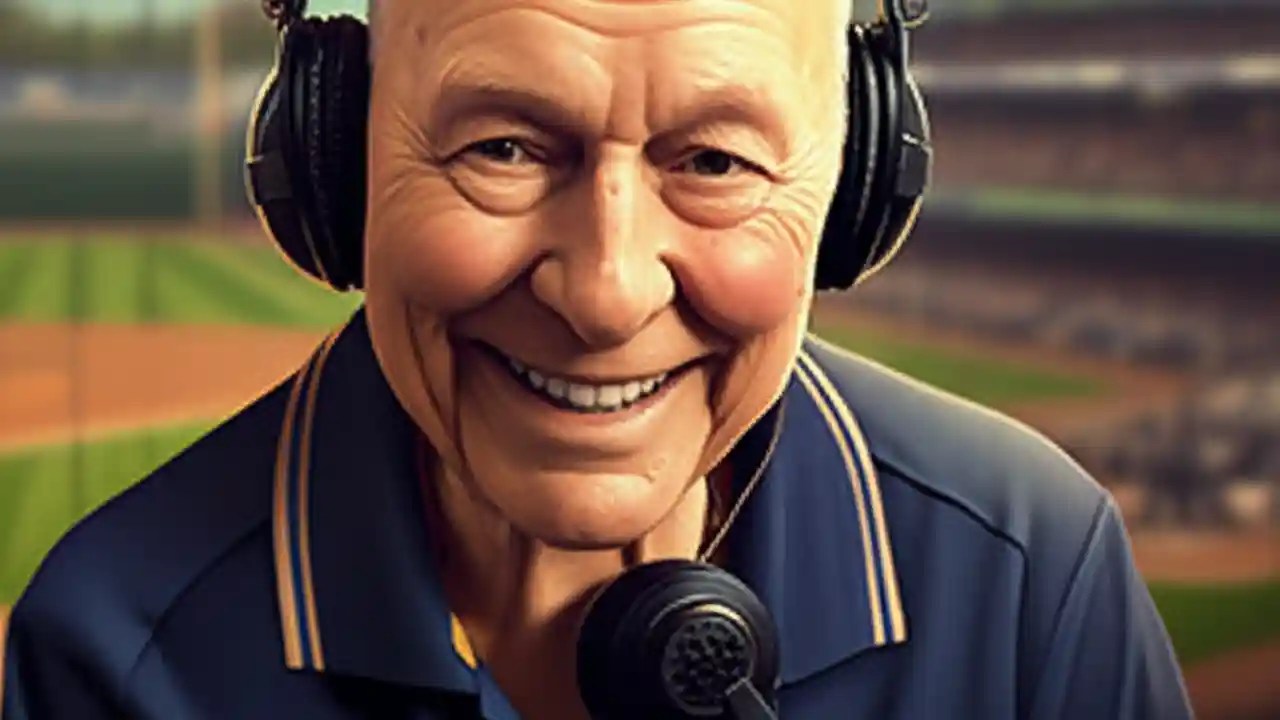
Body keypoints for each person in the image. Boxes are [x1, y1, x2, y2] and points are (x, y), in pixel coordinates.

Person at [2, 0, 1193, 718]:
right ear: (335, 154)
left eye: (714, 162)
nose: (607, 290)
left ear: (854, 187)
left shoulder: (1032, 576)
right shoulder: (117, 649)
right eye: (507, 146)